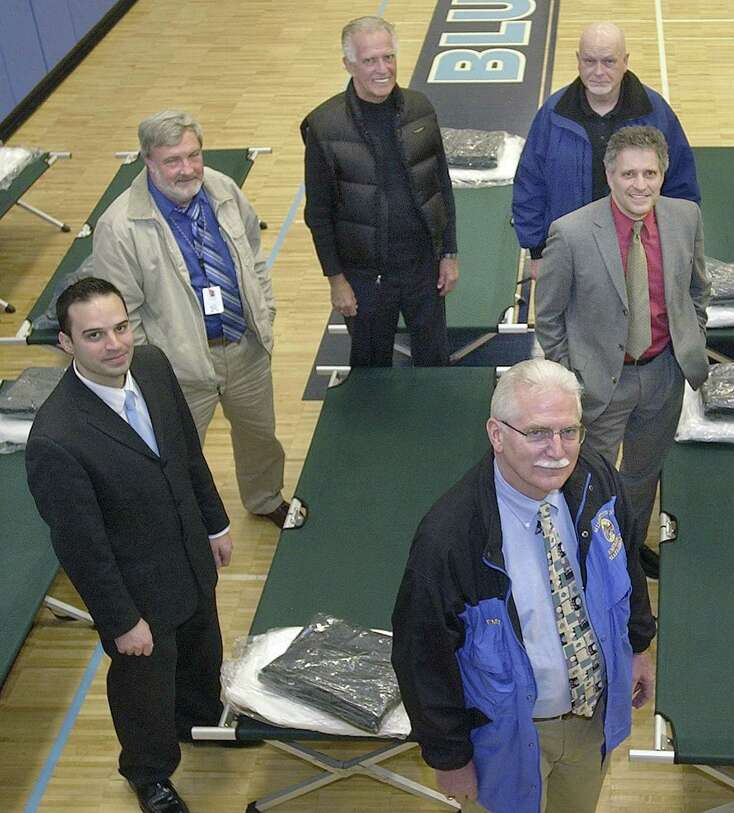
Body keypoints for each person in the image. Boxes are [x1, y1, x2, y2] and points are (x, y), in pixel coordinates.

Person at [392, 359, 656, 812]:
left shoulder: (595, 479)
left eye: (569, 431)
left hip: (592, 716)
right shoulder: (450, 538)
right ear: (496, 434)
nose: (557, 450)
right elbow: (422, 657)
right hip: (508, 734)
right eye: (537, 432)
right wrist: (450, 756)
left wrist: (638, 644)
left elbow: (625, 562)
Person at [25, 278, 236, 813]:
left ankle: (198, 719)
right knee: (144, 689)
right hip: (137, 591)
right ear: (66, 344)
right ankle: (148, 773)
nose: (115, 344)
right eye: (94, 335)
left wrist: (214, 524)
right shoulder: (56, 436)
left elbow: (187, 452)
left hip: (189, 554)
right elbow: (81, 546)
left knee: (201, 651)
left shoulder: (154, 365)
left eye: (121, 327)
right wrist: (120, 620)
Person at [93, 110, 304, 530]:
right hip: (180, 370)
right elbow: (121, 315)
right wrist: (155, 368)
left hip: (244, 349)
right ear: (147, 161)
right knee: (176, 454)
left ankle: (264, 499)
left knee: (260, 437)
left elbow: (253, 255)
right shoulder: (118, 228)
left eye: (193, 155)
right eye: (173, 160)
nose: (187, 169)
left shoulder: (223, 189)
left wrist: (266, 308)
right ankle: (185, 523)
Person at [535, 125, 709, 578]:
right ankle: (583, 558)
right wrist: (568, 379)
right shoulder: (570, 234)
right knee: (585, 477)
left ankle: (627, 553)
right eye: (629, 173)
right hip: (597, 385)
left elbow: (697, 291)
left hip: (663, 374)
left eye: (649, 173)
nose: (640, 184)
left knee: (640, 477)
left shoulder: (685, 218)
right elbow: (549, 317)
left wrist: (691, 340)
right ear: (609, 175)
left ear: (663, 174)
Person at [302, 15, 459, 367]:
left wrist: (448, 252)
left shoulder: (420, 109)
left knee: (434, 362)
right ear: (348, 64)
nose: (382, 68)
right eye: (370, 60)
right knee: (371, 371)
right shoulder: (324, 127)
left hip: (423, 268)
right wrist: (337, 281)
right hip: (365, 279)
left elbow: (441, 185)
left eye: (388, 57)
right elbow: (318, 215)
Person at [513, 21, 699, 277]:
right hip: (570, 256)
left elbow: (681, 186)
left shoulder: (656, 114)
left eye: (609, 62)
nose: (598, 71)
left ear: (625, 61)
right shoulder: (552, 114)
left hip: (640, 255)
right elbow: (530, 185)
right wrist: (536, 250)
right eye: (590, 61)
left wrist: (678, 245)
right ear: (578, 60)